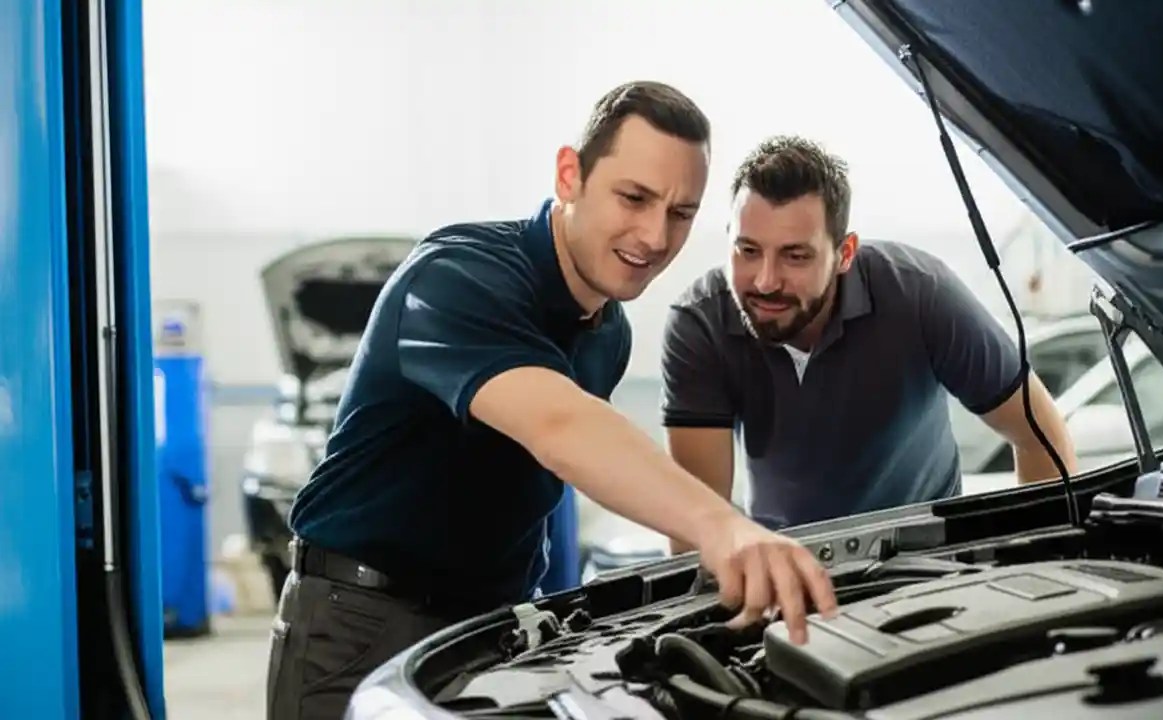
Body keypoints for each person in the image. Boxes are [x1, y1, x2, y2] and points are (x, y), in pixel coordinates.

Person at [266, 84, 838, 720]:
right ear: (571, 175)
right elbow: (560, 425)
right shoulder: (457, 278)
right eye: (634, 197)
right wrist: (722, 526)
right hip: (361, 624)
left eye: (680, 212)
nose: (654, 236)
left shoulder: (607, 330)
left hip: (490, 630)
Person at [660, 135, 1077, 547]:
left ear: (844, 253)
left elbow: (1040, 435)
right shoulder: (700, 323)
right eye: (748, 251)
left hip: (928, 569)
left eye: (796, 256)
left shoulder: (922, 294)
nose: (766, 280)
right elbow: (697, 525)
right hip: (786, 576)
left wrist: (1040, 561)